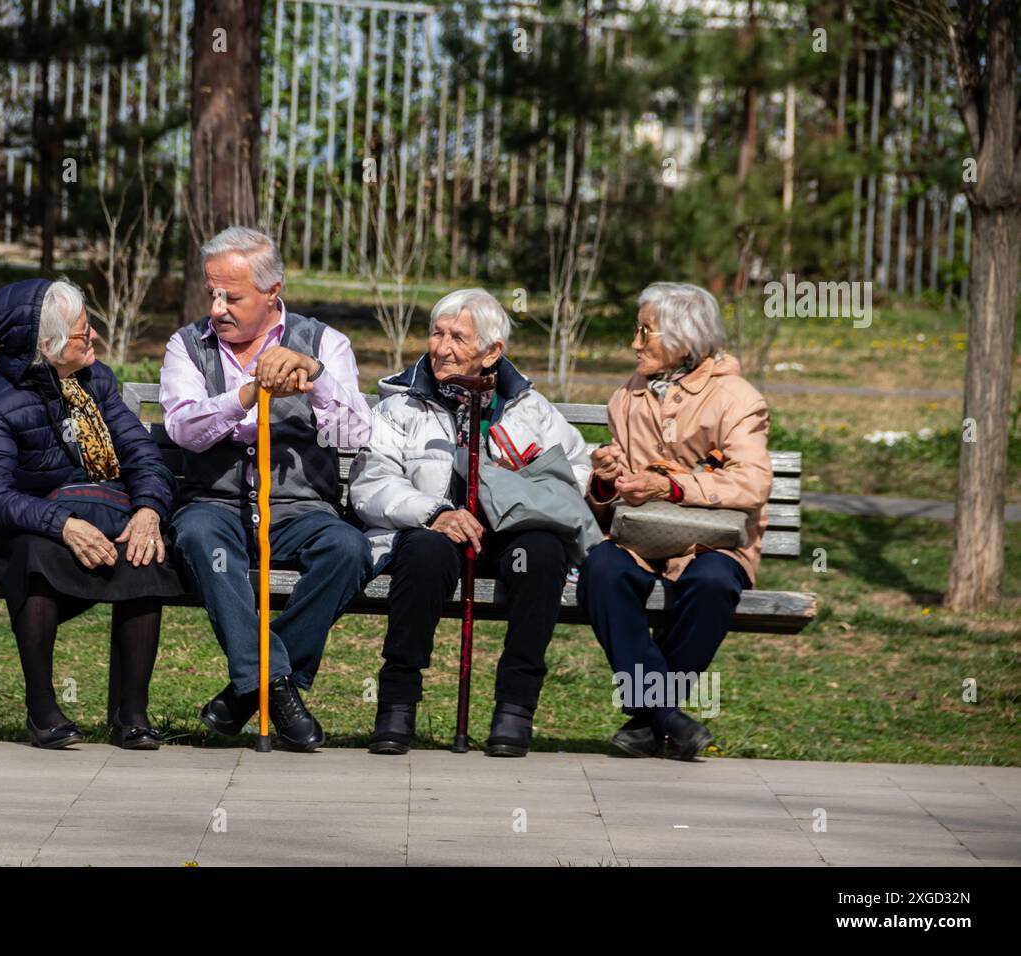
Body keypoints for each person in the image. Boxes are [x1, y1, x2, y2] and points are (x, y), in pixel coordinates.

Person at [348, 289, 592, 757]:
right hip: (434, 532)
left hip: (508, 538)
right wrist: (435, 512)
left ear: (491, 352)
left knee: (541, 554)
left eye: (458, 337)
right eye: (436, 333)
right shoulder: (400, 405)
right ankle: (397, 703)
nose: (441, 347)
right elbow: (370, 484)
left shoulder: (528, 408)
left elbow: (576, 469)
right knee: (422, 553)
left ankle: (515, 709)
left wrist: (526, 497)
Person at [161, 226, 373, 753]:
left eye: (231, 296)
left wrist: (317, 378)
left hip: (300, 505)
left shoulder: (325, 343)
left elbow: (356, 434)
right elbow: (183, 428)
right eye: (211, 293)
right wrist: (245, 396)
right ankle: (279, 688)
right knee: (201, 542)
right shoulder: (186, 347)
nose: (216, 308)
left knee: (348, 549)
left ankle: (247, 693)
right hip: (215, 503)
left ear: (272, 292)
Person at [0, 278, 178, 751]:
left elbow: (143, 456)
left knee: (144, 551)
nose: (95, 339)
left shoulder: (94, 382)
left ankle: (132, 714)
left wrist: (147, 511)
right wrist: (61, 524)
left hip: (95, 518)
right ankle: (42, 710)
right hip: (27, 528)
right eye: (84, 334)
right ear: (48, 346)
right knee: (37, 554)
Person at [576, 282, 772, 760]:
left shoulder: (737, 398)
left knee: (711, 585)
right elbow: (609, 505)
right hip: (642, 540)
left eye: (646, 331)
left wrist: (672, 486)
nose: (635, 343)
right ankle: (665, 716)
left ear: (685, 338)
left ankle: (650, 716)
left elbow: (751, 484)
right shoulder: (627, 397)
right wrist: (604, 483)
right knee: (601, 570)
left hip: (713, 544)